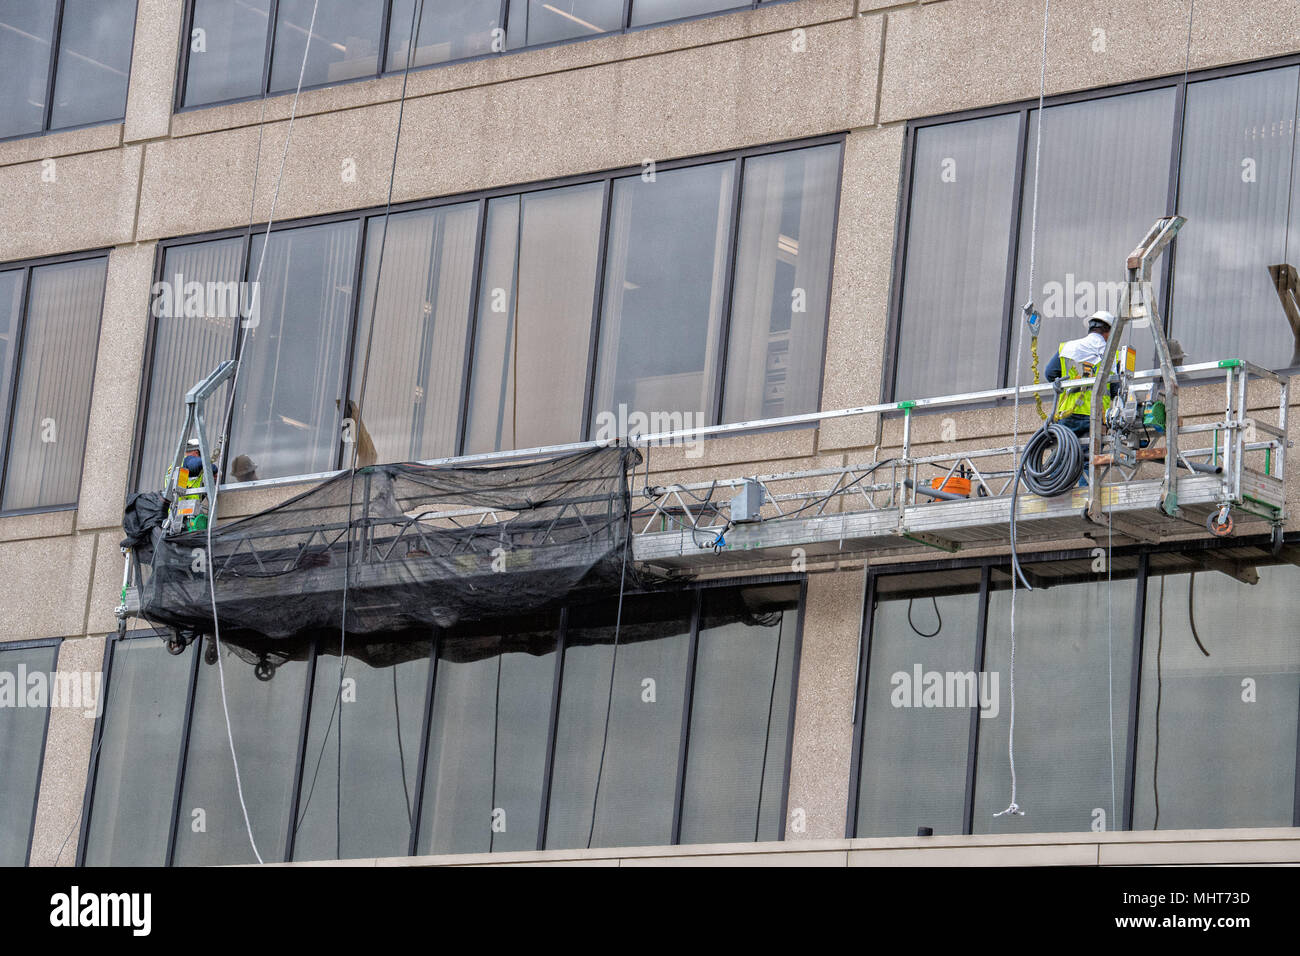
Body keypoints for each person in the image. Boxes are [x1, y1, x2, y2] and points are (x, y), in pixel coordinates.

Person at [1046, 310, 1117, 438]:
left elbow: (1050, 373)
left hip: (1067, 414)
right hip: (1095, 416)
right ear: (1108, 332)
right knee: (1089, 456)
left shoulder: (1067, 347)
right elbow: (1116, 390)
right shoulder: (1112, 355)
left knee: (1066, 453)